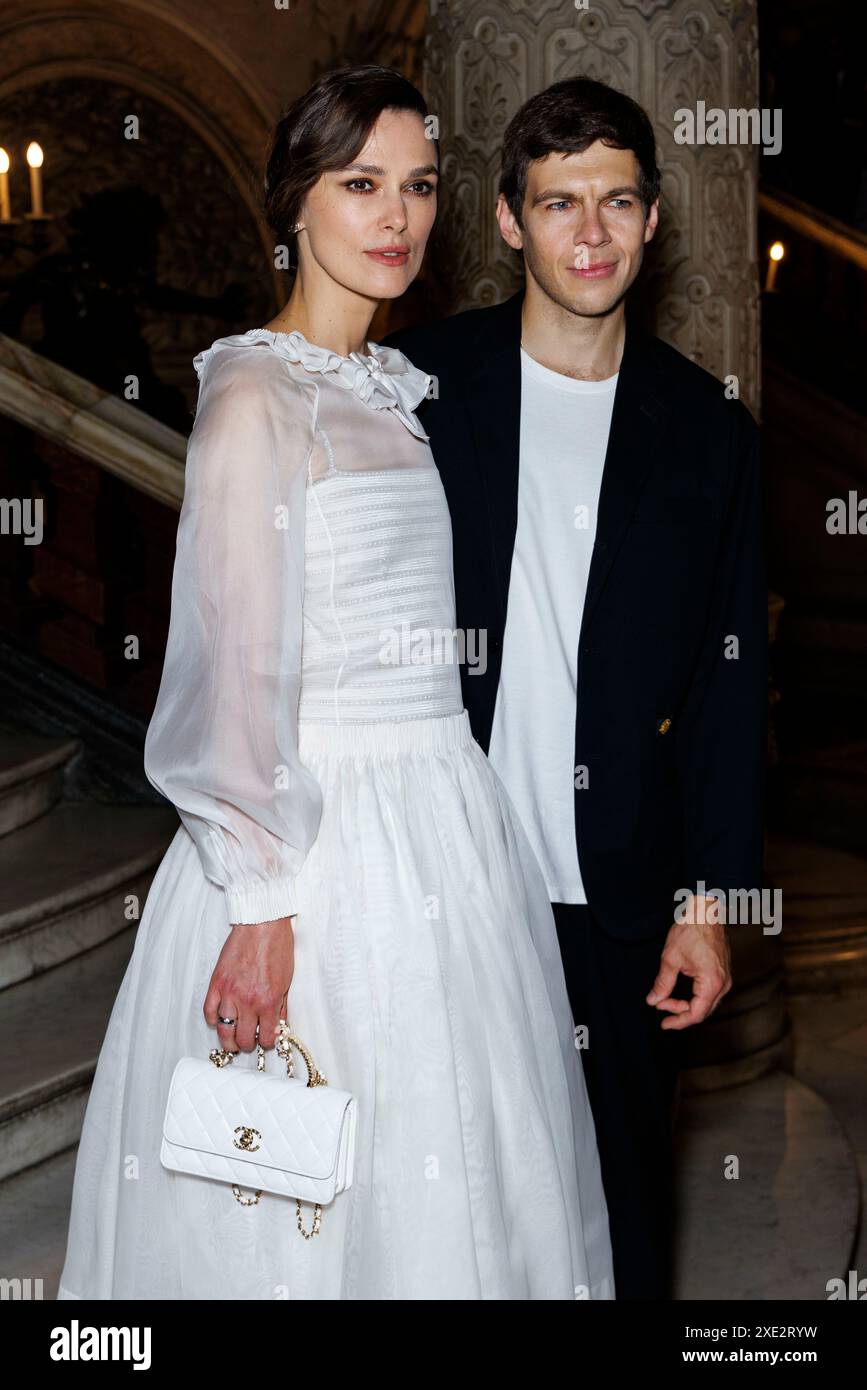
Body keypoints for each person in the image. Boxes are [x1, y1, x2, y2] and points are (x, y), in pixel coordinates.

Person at [56, 65, 614, 1302]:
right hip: (318, 837)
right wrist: (260, 903)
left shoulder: (398, 388)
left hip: (444, 819)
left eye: (417, 186)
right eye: (360, 184)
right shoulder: (255, 395)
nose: (397, 216)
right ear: (292, 203)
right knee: (309, 1200)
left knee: (468, 1172)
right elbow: (230, 665)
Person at [385, 76, 768, 1300]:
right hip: (443, 879)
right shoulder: (419, 389)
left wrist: (709, 899)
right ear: (508, 221)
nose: (590, 234)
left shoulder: (709, 431)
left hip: (620, 896)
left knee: (621, 1217)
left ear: (655, 221)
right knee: (450, 1213)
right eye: (559, 204)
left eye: (616, 202)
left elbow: (728, 690)